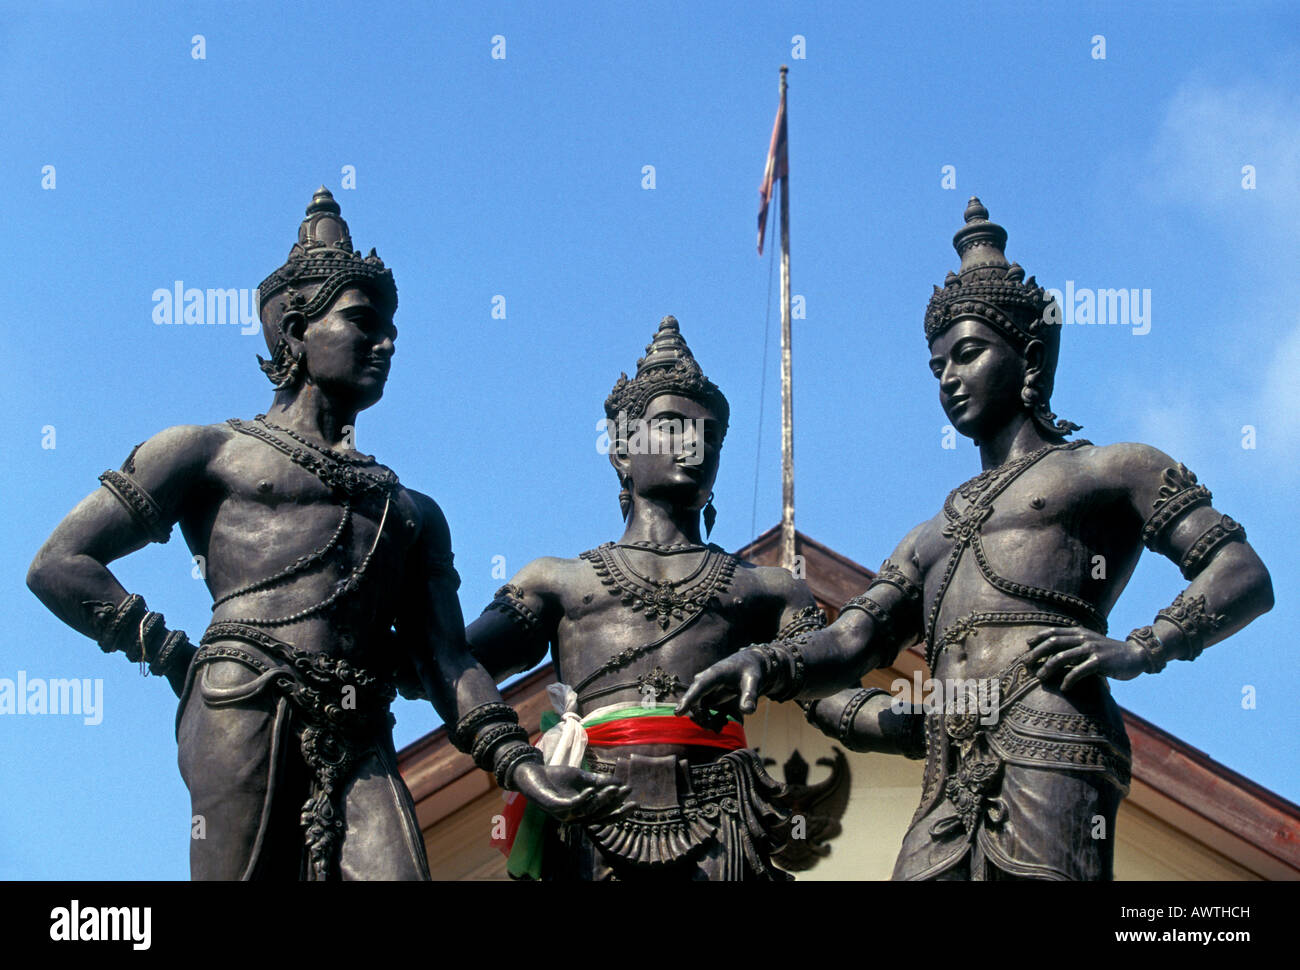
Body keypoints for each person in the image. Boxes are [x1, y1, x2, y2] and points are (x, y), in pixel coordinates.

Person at [26, 187, 623, 880]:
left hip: (362, 731)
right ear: (296, 332)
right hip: (239, 705)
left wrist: (518, 763)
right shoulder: (207, 451)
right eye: (365, 322)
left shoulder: (412, 512)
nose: (386, 342)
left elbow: (447, 661)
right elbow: (60, 563)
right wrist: (172, 656)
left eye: (392, 328)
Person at [678, 198, 1274, 880]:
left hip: (1054, 744)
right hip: (949, 774)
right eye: (937, 369)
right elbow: (850, 644)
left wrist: (1144, 645)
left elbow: (1241, 573)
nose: (950, 380)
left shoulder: (1109, 471)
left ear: (1027, 355)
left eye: (966, 355)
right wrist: (768, 663)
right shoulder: (928, 540)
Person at [468, 316, 825, 880]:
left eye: (709, 433)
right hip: (591, 802)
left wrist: (912, 718)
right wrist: (517, 759)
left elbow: (832, 682)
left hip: (723, 813)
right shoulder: (558, 583)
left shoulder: (767, 589)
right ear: (621, 451)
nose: (694, 444)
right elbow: (450, 665)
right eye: (670, 426)